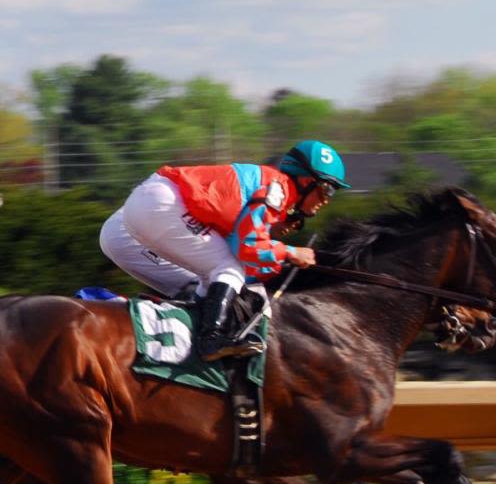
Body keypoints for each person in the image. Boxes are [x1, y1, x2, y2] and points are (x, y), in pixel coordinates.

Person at [99, 140, 349, 361]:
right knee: (229, 266)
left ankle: (196, 328)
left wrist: (279, 255)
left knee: (214, 273)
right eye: (327, 189)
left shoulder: (270, 185)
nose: (326, 200)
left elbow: (245, 250)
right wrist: (291, 252)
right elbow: (248, 248)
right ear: (306, 182)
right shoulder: (277, 190)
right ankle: (211, 338)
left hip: (144, 205)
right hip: (157, 204)